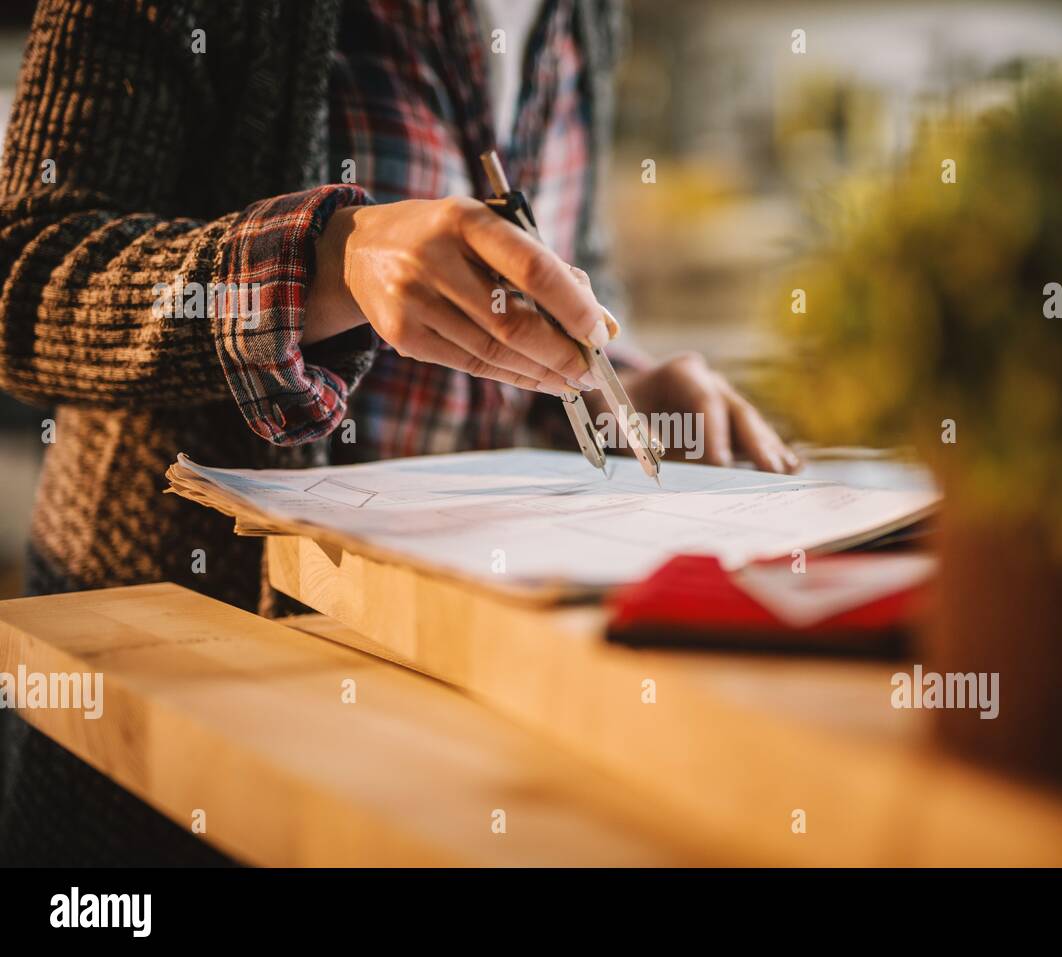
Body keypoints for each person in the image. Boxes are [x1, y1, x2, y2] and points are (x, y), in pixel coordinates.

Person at [0, 0, 796, 863]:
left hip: (454, 695)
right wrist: (328, 261)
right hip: (181, 708)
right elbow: (22, 276)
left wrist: (617, 379)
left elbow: (558, 259)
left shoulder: (588, 15)